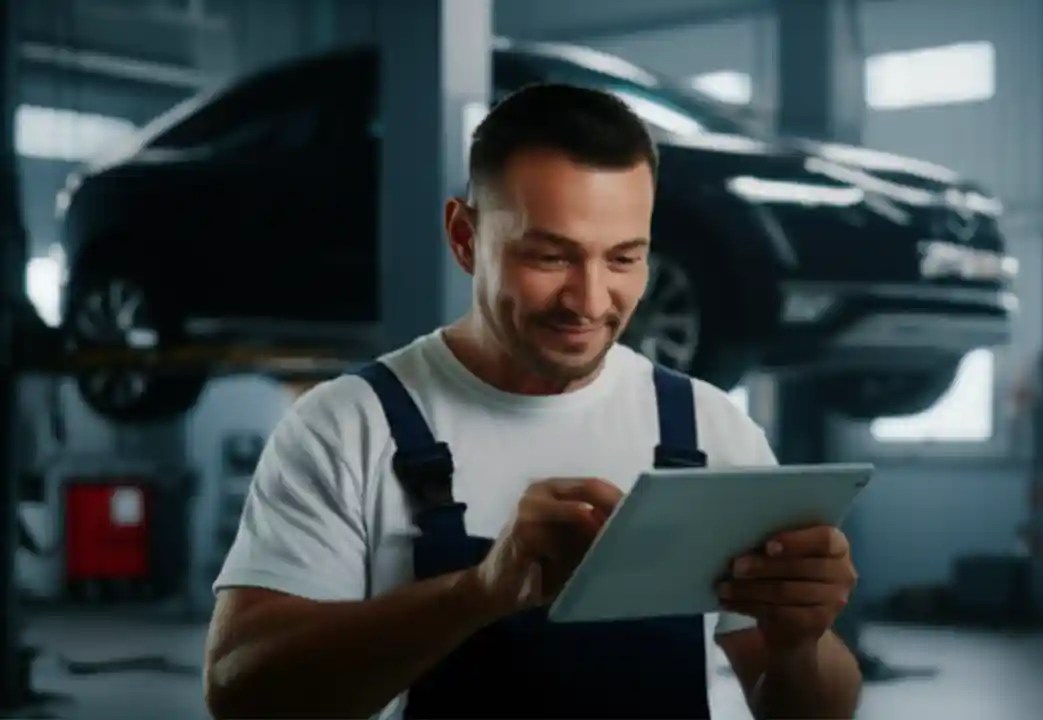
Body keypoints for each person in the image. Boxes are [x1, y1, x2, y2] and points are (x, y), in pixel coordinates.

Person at [202, 83, 862, 720]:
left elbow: (806, 709)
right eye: (551, 257)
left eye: (624, 258)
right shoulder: (349, 426)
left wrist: (800, 642)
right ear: (465, 237)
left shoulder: (712, 428)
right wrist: (480, 592)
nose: (591, 300)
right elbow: (241, 692)